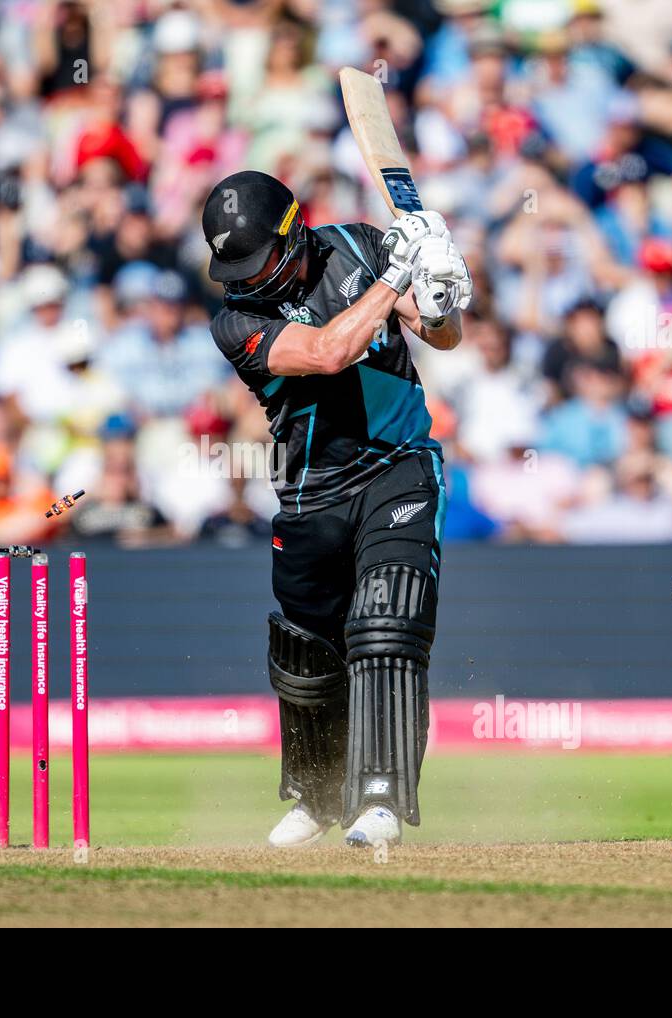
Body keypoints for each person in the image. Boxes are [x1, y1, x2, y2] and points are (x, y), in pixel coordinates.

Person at [202, 169, 471, 847]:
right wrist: (397, 275)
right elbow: (327, 353)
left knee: (387, 620)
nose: (247, 277)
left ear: (293, 235)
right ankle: (319, 796)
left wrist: (436, 293)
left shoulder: (360, 245)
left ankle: (380, 796)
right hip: (308, 493)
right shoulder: (236, 321)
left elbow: (442, 336)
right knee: (306, 657)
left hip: (397, 470)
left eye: (257, 259)